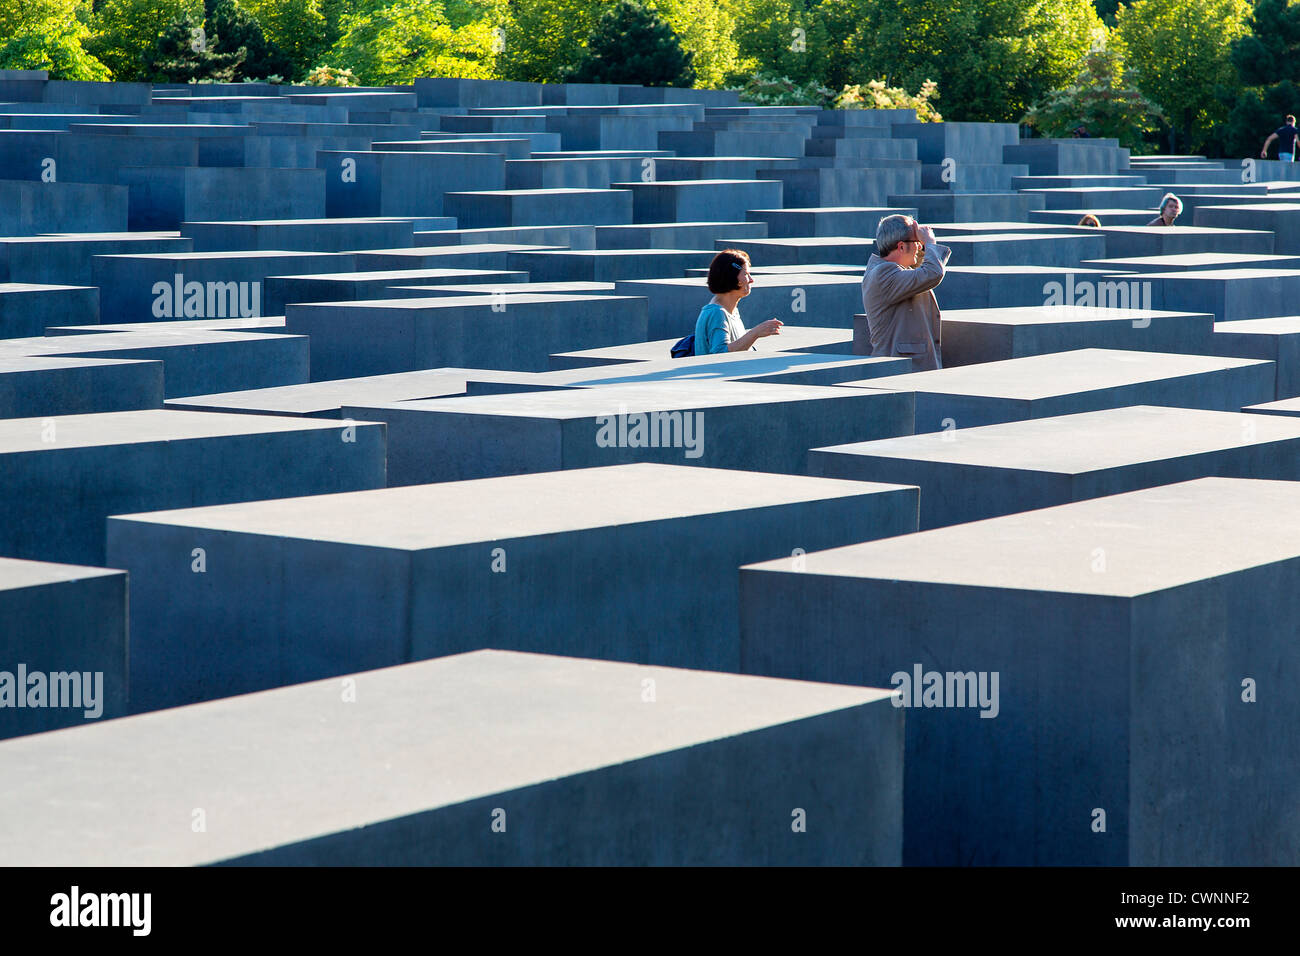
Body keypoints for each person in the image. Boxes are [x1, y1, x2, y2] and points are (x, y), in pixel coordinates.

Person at [861, 215, 951, 371]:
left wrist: (920, 242)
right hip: (898, 369)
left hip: (904, 367)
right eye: (916, 243)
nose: (919, 247)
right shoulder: (884, 274)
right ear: (901, 247)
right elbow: (932, 272)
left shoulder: (891, 270)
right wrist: (929, 242)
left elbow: (921, 268)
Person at [692, 249, 782, 354]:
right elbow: (720, 354)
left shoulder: (731, 311)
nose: (751, 279)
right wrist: (755, 333)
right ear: (732, 277)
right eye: (746, 274)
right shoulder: (717, 313)